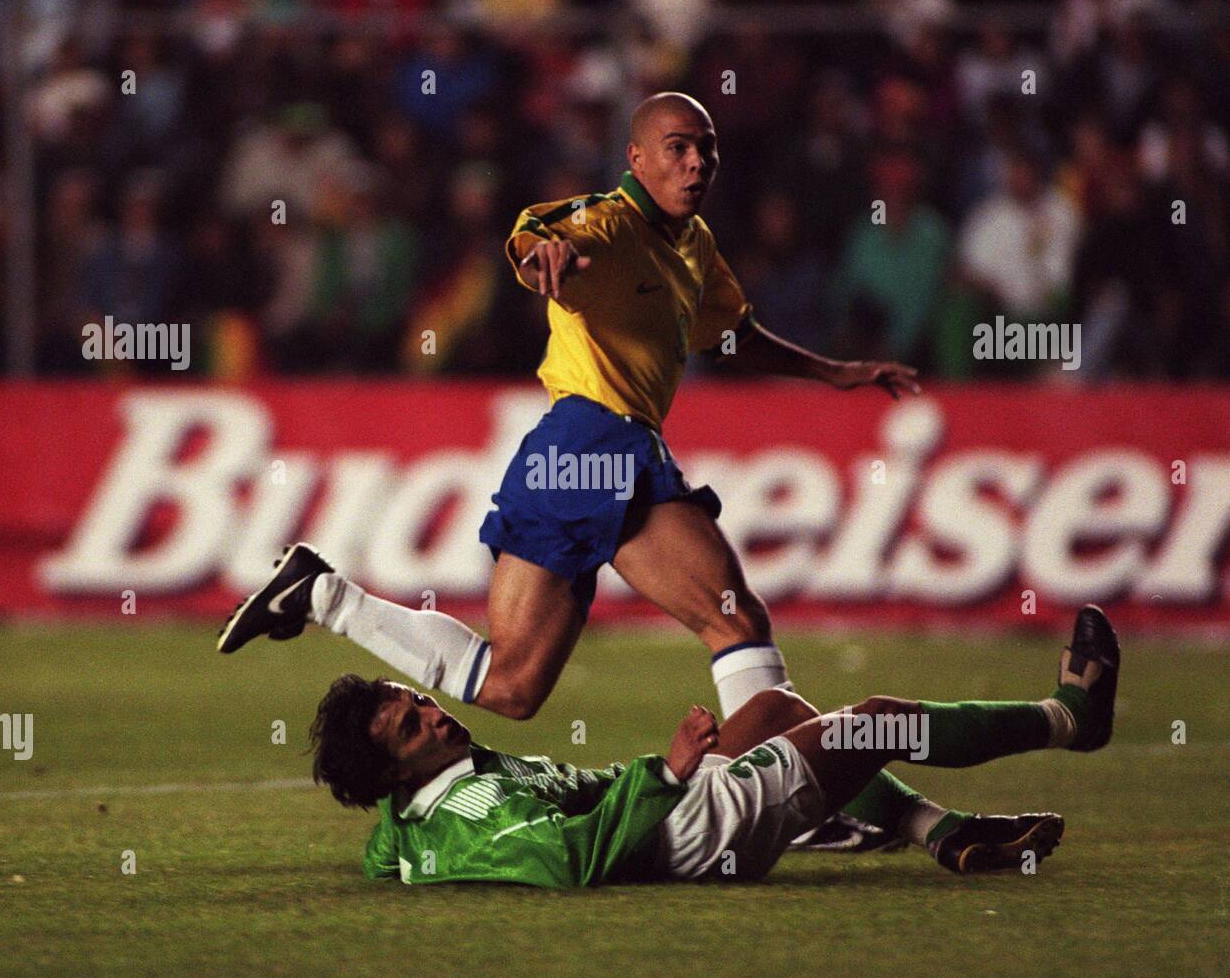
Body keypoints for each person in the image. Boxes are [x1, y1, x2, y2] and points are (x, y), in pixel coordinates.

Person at [219, 92, 917, 731]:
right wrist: (541, 259)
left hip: (571, 457)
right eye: (677, 146)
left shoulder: (696, 247)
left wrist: (830, 371)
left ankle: (321, 597)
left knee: (512, 688)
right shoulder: (607, 222)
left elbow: (729, 336)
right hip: (597, 441)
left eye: (706, 147)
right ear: (636, 159)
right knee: (736, 623)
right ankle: (786, 798)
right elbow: (535, 238)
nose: (697, 161)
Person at [301, 606, 1119, 887]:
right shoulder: (474, 807)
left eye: (419, 701)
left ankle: (938, 833)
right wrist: (665, 772)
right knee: (878, 720)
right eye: (415, 729)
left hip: (676, 813)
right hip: (698, 831)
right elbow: (568, 860)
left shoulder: (410, 818)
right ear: (393, 771)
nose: (436, 715)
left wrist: (402, 856)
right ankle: (1070, 719)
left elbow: (396, 853)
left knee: (770, 706)